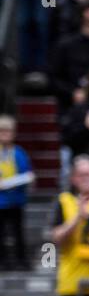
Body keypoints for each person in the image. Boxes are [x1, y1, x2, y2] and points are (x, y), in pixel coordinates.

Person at [0, 114, 33, 268]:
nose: (5, 135)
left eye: (8, 132)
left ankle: (22, 260)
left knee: (18, 231)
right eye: (2, 131)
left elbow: (27, 173)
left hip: (16, 200)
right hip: (1, 201)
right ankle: (3, 261)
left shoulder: (19, 152)